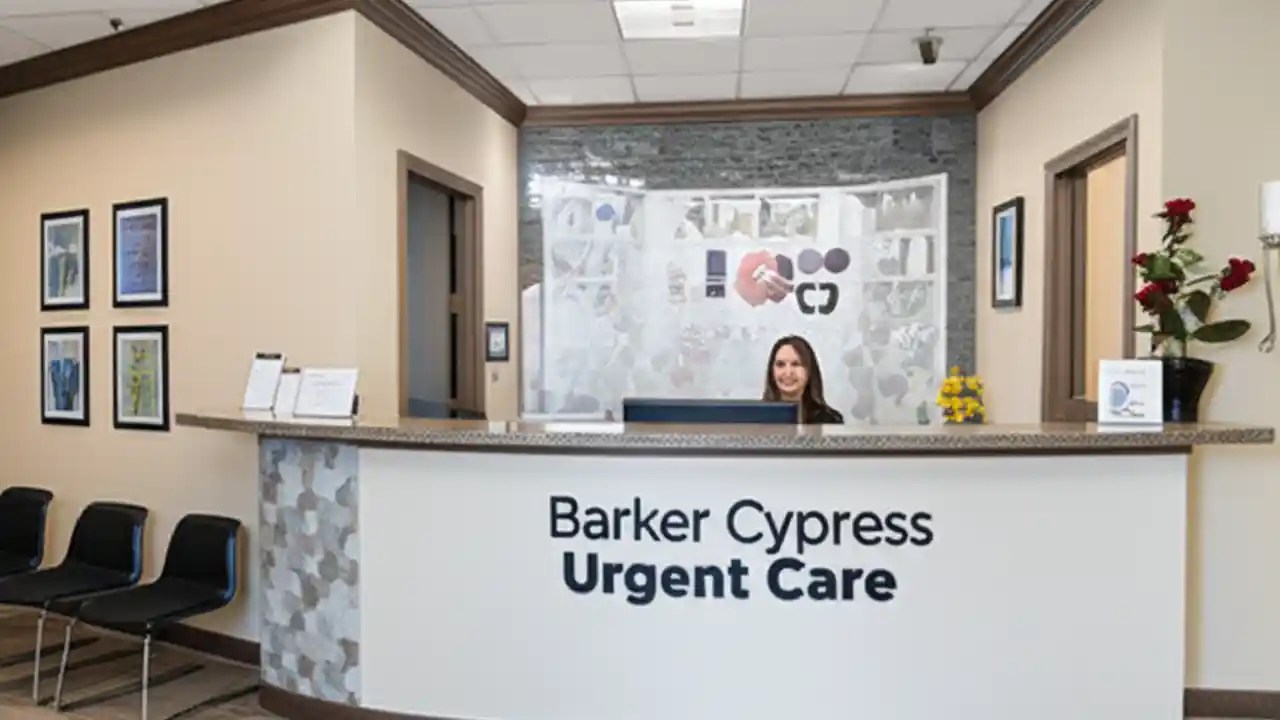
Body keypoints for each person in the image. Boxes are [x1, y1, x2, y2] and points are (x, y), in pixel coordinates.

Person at [762, 335, 844, 424]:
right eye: (780, 364)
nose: (788, 373)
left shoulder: (831, 420)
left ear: (809, 370)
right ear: (771, 371)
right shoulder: (757, 417)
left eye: (796, 364)